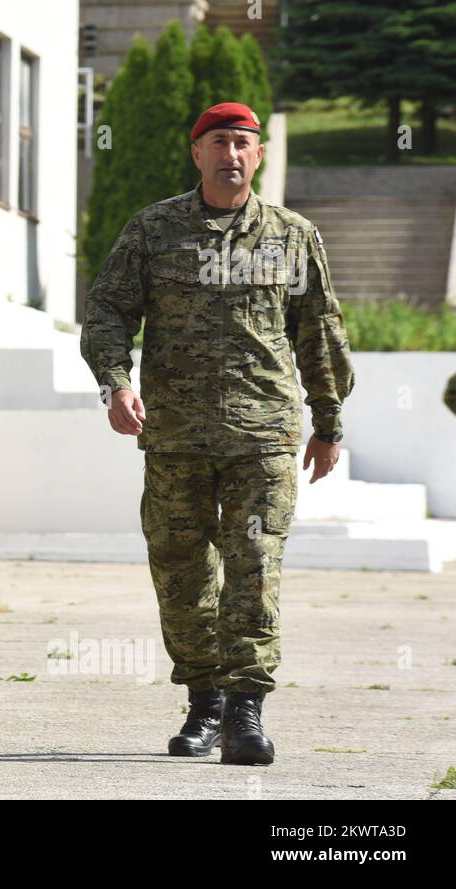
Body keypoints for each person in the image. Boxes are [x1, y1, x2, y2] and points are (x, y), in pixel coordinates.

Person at [81, 102, 354, 766]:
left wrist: (329, 422)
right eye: (218, 142)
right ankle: (204, 698)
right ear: (196, 152)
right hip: (175, 435)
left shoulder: (294, 236)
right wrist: (115, 381)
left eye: (243, 143)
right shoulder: (153, 229)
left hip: (264, 435)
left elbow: (319, 332)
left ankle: (246, 708)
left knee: (253, 570)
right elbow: (107, 310)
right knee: (181, 572)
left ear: (257, 156)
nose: (231, 153)